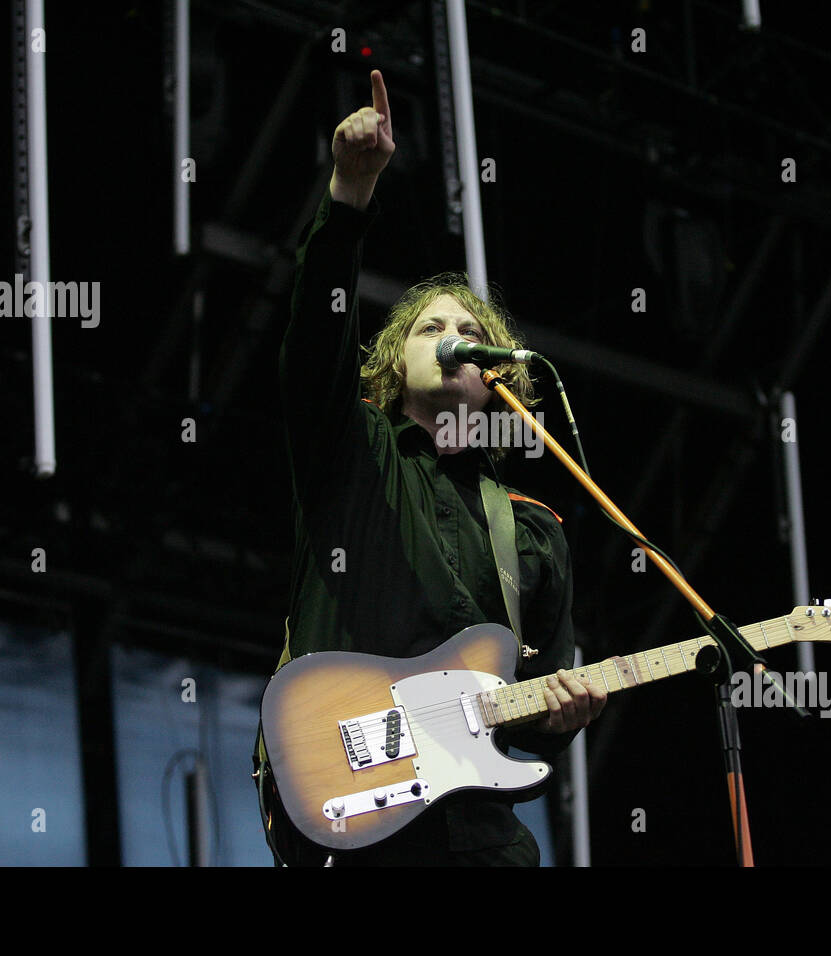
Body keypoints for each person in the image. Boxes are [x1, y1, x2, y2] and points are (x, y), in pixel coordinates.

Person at [253, 69, 605, 866]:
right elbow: (312, 343)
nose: (453, 333)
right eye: (430, 327)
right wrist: (350, 192)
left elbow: (534, 688)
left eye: (470, 328)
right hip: (354, 810)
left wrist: (565, 708)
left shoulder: (535, 530)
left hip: (479, 837)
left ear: (498, 374)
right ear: (392, 360)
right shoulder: (352, 453)